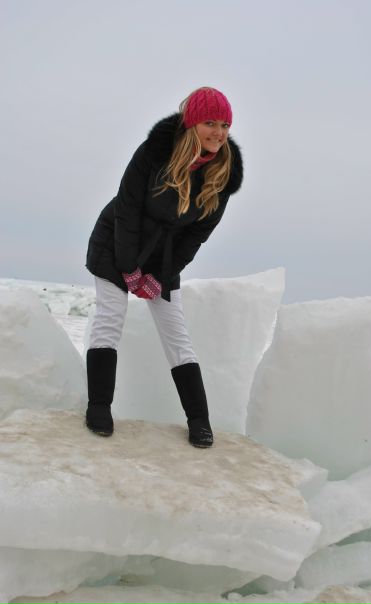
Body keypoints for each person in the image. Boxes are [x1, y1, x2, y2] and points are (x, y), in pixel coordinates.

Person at [85, 86, 243, 447]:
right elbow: (127, 210)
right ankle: (99, 407)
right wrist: (129, 269)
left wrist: (157, 277)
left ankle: (199, 420)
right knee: (110, 319)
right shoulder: (153, 153)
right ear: (192, 123)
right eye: (210, 123)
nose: (218, 133)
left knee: (176, 334)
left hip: (164, 257)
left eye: (224, 125)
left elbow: (196, 236)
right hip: (116, 242)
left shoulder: (223, 173)